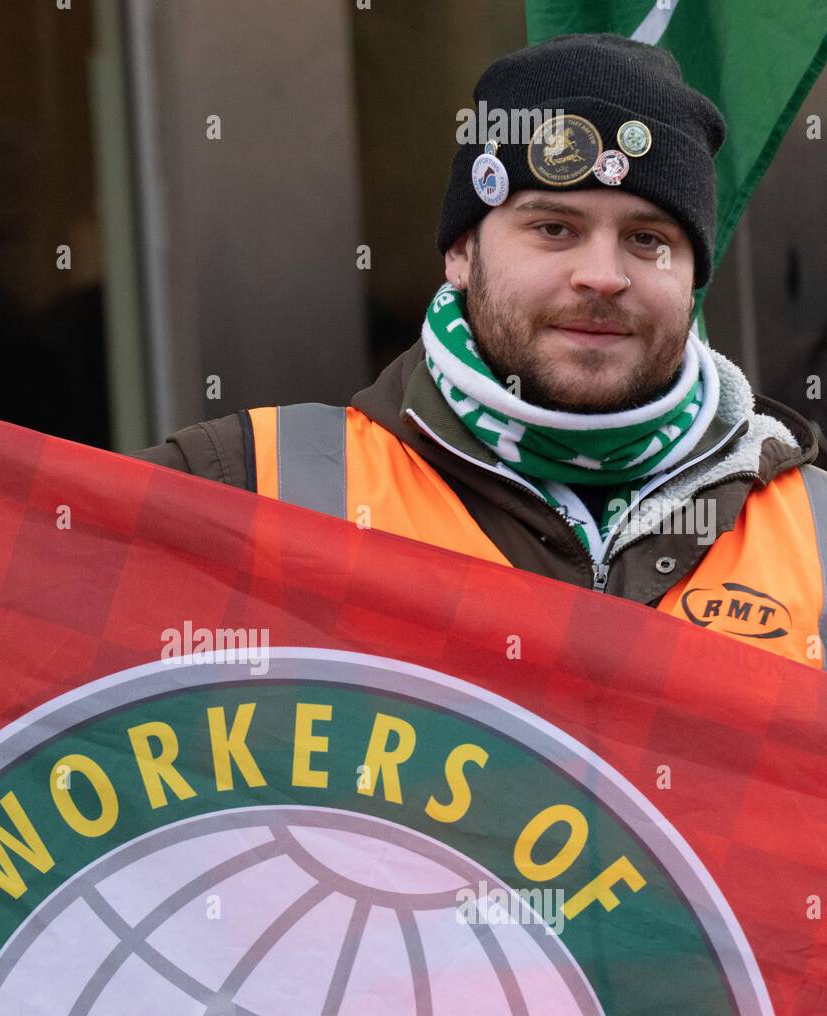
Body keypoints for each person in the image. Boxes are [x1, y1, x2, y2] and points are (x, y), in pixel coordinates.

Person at [135, 33, 827, 670]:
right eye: (554, 227)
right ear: (462, 252)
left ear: (693, 278)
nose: (602, 276)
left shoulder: (815, 532)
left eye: (647, 240)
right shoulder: (248, 482)